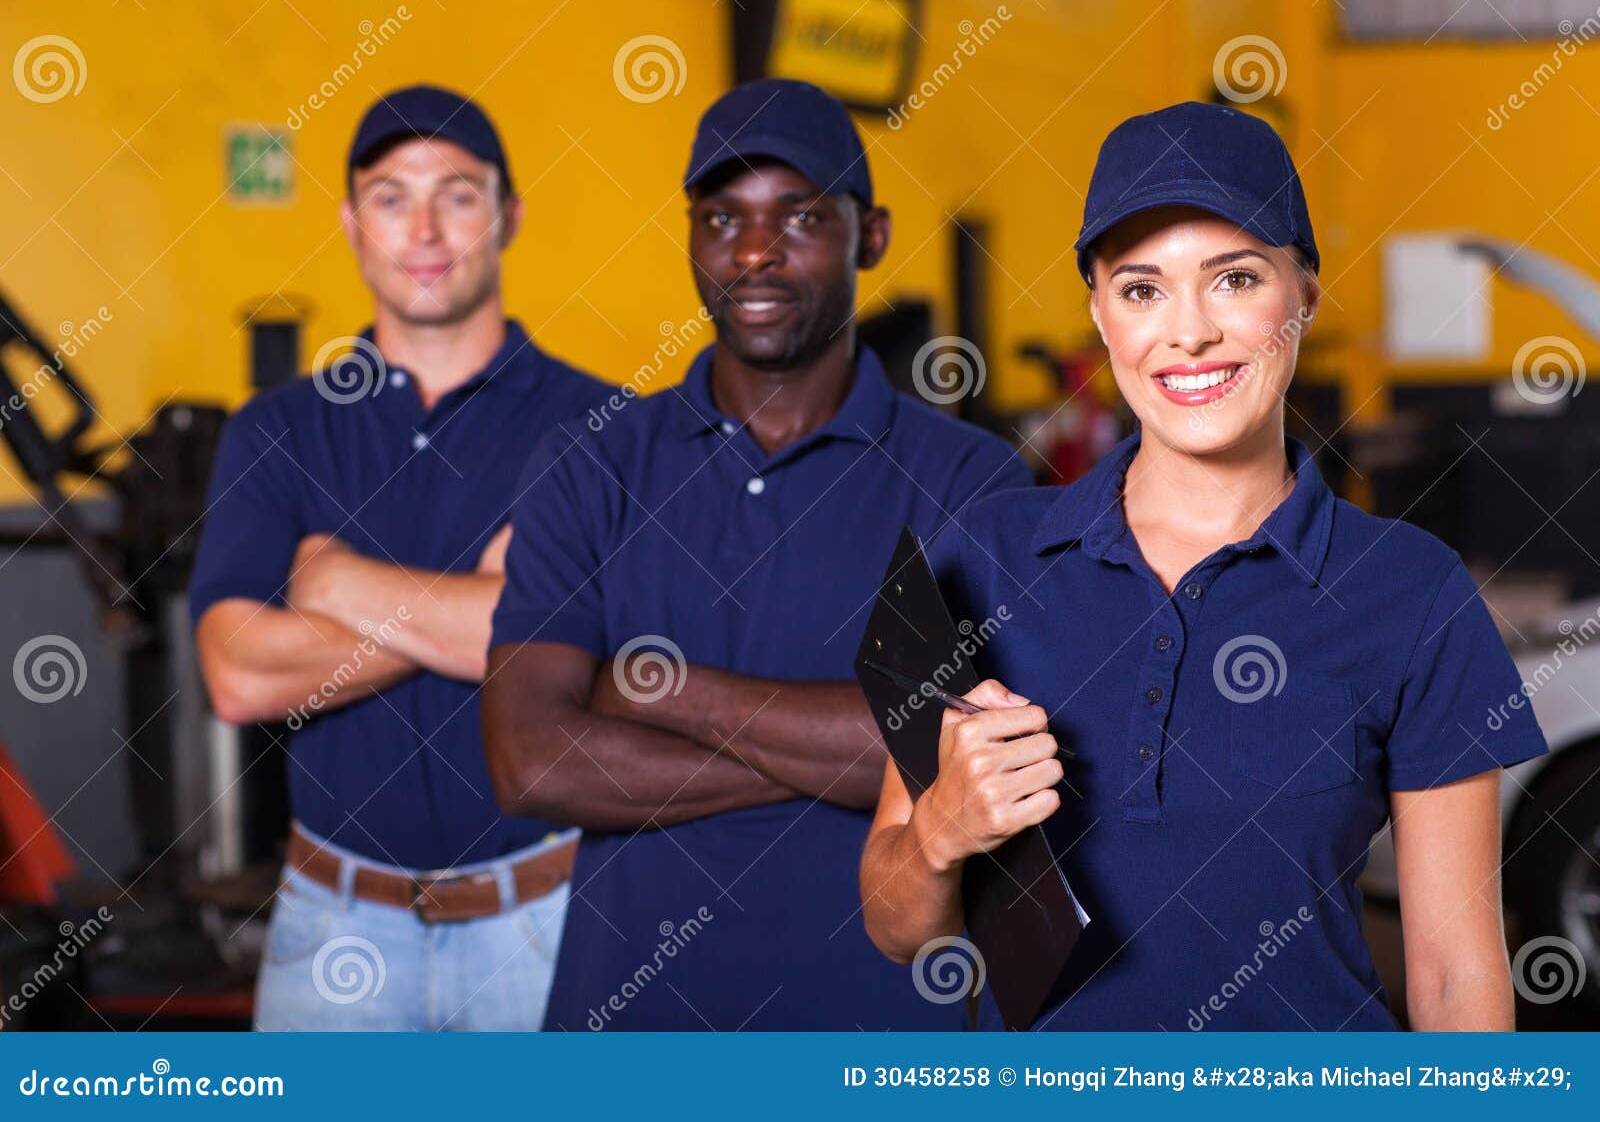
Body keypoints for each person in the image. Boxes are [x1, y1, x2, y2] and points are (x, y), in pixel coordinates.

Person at [859, 102, 1549, 1031]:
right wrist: (943, 830)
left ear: (1302, 294)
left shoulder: (1411, 590)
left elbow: (1455, 973)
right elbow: (895, 926)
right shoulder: (983, 558)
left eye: (1234, 278)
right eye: (1142, 289)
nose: (1188, 333)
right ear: (1100, 314)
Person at [481, 79, 1033, 1031]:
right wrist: (855, 749)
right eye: (721, 217)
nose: (754, 251)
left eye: (801, 215)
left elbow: (971, 760)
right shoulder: (592, 460)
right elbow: (531, 760)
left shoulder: (974, 482)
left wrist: (658, 688)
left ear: (872, 236)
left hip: (882, 1031)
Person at [190, 85, 613, 1031]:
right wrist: (496, 610)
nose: (424, 228)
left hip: (543, 924)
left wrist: (338, 585)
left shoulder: (601, 429)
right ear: (350, 223)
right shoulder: (279, 430)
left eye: (458, 193)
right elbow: (239, 676)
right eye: (391, 196)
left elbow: (600, 663)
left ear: (508, 215)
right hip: (330, 931)